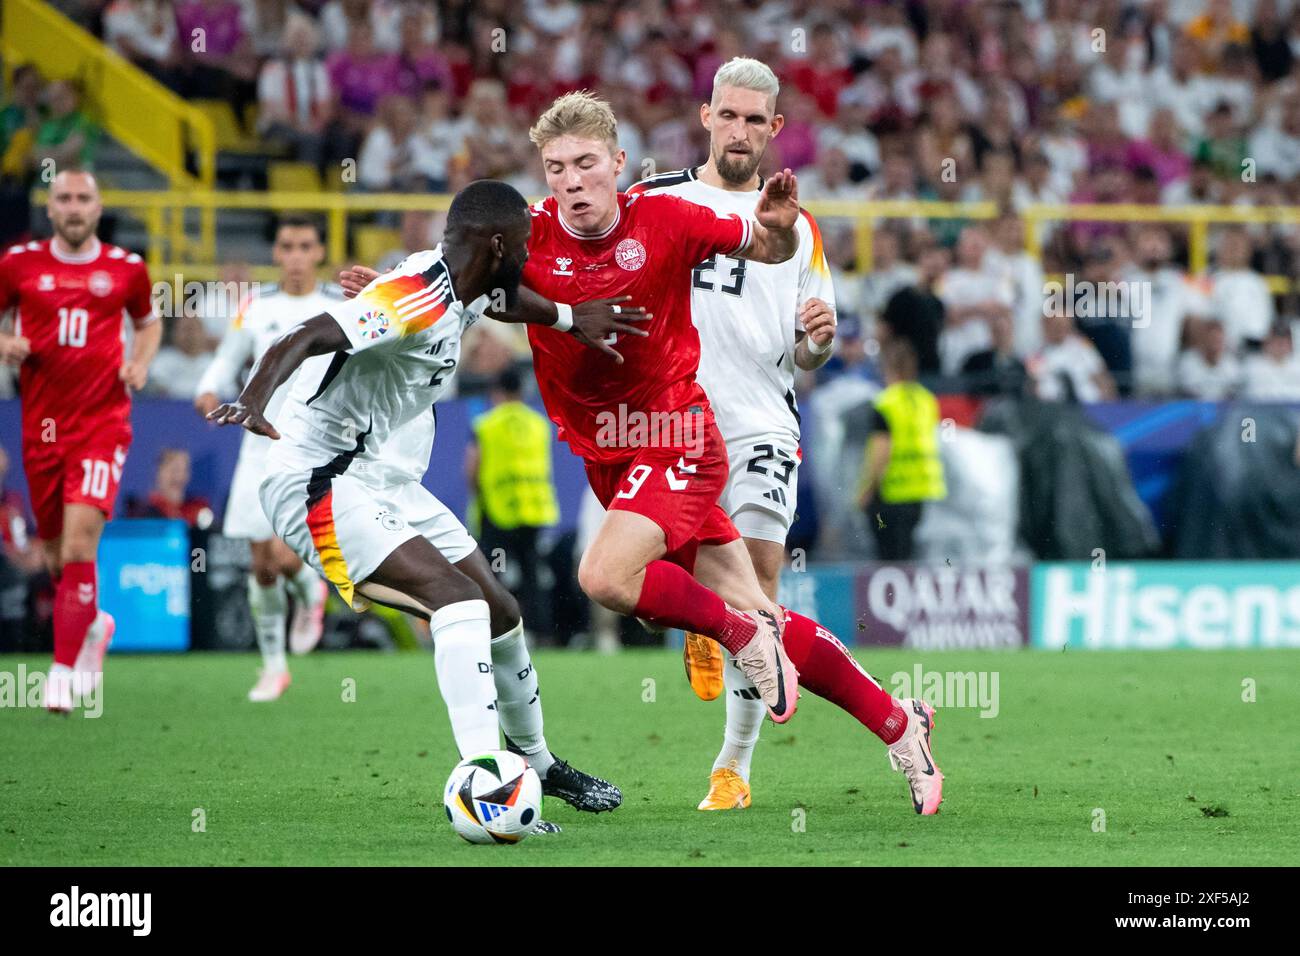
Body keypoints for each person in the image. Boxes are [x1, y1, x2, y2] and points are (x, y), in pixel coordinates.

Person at [343, 92, 947, 815]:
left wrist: (783, 233)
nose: (572, 181)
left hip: (677, 436)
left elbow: (763, 244)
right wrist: (384, 296)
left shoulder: (664, 218)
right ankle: (898, 723)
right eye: (557, 167)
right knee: (754, 606)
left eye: (586, 164)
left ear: (618, 164)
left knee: (604, 576)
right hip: (609, 458)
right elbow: (454, 276)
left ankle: (735, 636)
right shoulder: (527, 235)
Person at [209, 180, 627, 826]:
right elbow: (308, 332)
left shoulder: (462, 284)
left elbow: (504, 298)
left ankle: (539, 764)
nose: (528, 255)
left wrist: (571, 319)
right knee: (453, 603)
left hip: (381, 478)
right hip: (317, 480)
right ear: (494, 244)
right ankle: (491, 786)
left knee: (501, 609)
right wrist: (255, 399)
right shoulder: (412, 299)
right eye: (522, 245)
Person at [626, 57, 842, 810]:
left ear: (775, 129)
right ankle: (699, 618)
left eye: (758, 119)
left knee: (760, 583)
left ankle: (735, 767)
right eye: (731, 115)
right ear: (707, 116)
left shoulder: (800, 228)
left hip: (760, 426)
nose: (742, 130)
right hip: (668, 427)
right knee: (629, 582)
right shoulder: (653, 201)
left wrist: (819, 337)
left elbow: (810, 350)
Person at [0, 170, 160, 712]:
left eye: (83, 198)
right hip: (40, 429)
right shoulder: (18, 263)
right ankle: (93, 626)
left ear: (97, 207)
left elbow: (148, 322)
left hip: (101, 424)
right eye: (63, 198)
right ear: (50, 208)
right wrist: (7, 342)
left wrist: (139, 363)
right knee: (52, 555)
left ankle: (61, 674)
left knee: (77, 549)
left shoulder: (126, 269)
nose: (73, 207)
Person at [195, 217, 337, 701]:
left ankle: (312, 592)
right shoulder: (256, 307)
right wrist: (208, 387)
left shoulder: (339, 307)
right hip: (258, 446)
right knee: (261, 566)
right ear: (276, 254)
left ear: (319, 252)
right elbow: (228, 357)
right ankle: (274, 666)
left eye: (304, 245)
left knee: (281, 553)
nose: (295, 255)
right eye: (287, 246)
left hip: (314, 449)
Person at [465, 367, 559, 641]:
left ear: (497, 391)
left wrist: (477, 494)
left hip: (497, 509)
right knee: (533, 575)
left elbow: (472, 466)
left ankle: (502, 629)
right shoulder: (538, 423)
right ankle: (543, 634)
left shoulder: (486, 423)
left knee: (496, 571)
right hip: (533, 509)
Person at [857, 340, 947, 561]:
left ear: (888, 367)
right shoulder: (926, 400)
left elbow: (881, 451)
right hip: (920, 492)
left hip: (891, 492)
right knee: (908, 558)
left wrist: (867, 489)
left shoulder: (886, 402)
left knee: (889, 559)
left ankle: (886, 595)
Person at [126, 448, 212, 527]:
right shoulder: (142, 512)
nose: (178, 476)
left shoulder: (198, 509)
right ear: (158, 473)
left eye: (183, 470)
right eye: (173, 469)